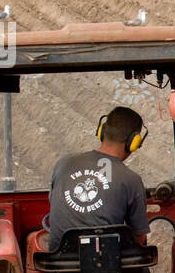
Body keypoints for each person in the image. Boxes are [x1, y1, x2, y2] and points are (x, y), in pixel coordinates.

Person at [47, 106, 150, 252]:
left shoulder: (63, 164)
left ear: (101, 131)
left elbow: (55, 206)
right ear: (134, 142)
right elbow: (139, 239)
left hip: (59, 267)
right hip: (107, 268)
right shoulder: (131, 180)